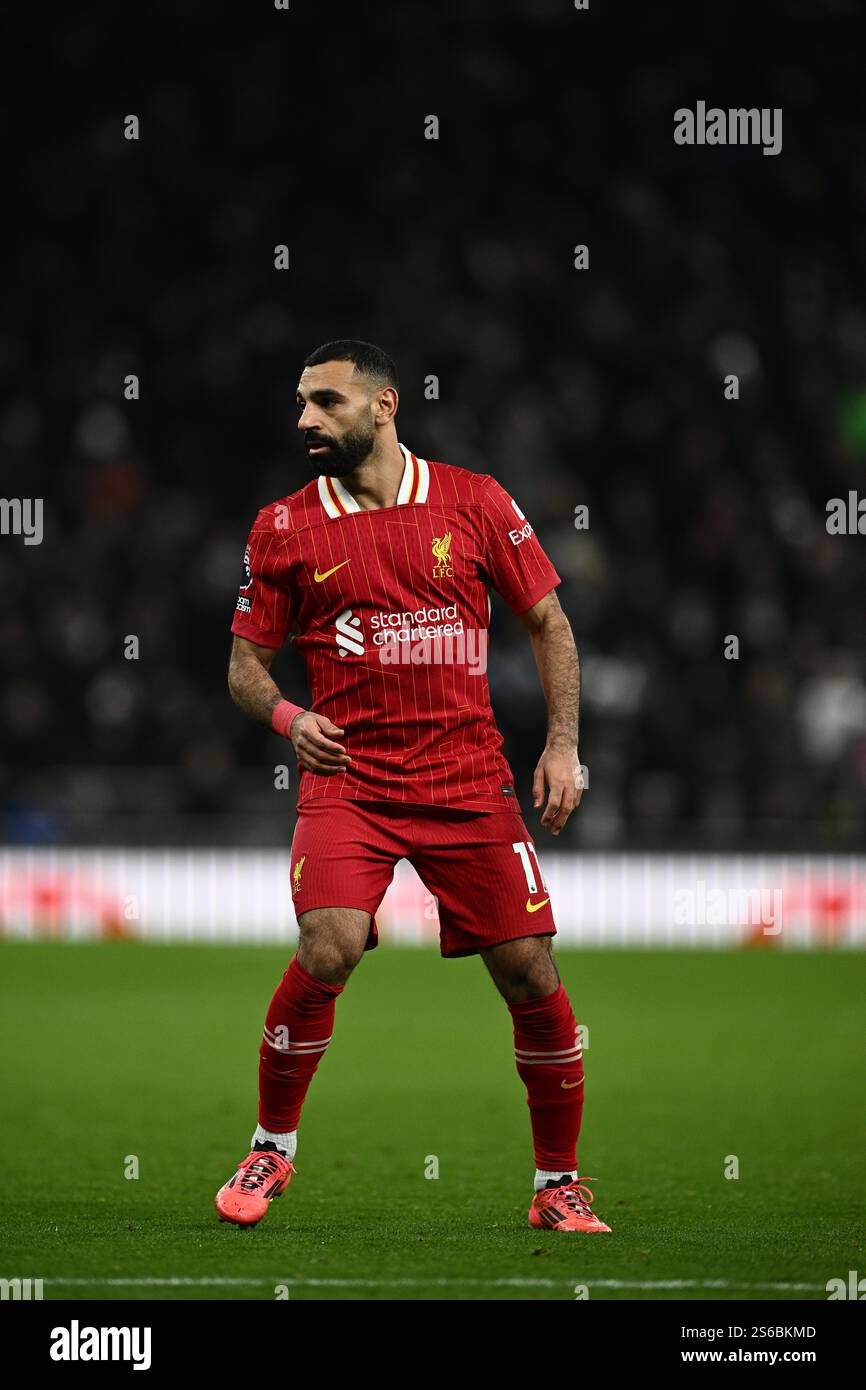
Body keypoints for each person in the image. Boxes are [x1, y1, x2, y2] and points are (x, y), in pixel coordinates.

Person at [214, 339, 610, 1234]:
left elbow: (550, 623)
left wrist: (562, 746)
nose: (305, 420)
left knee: (528, 969)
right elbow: (245, 667)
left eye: (327, 402)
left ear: (386, 406)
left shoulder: (476, 500)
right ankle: (271, 1147)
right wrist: (288, 719)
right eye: (302, 404)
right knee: (329, 945)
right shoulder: (282, 527)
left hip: (468, 778)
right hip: (349, 780)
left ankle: (559, 1184)